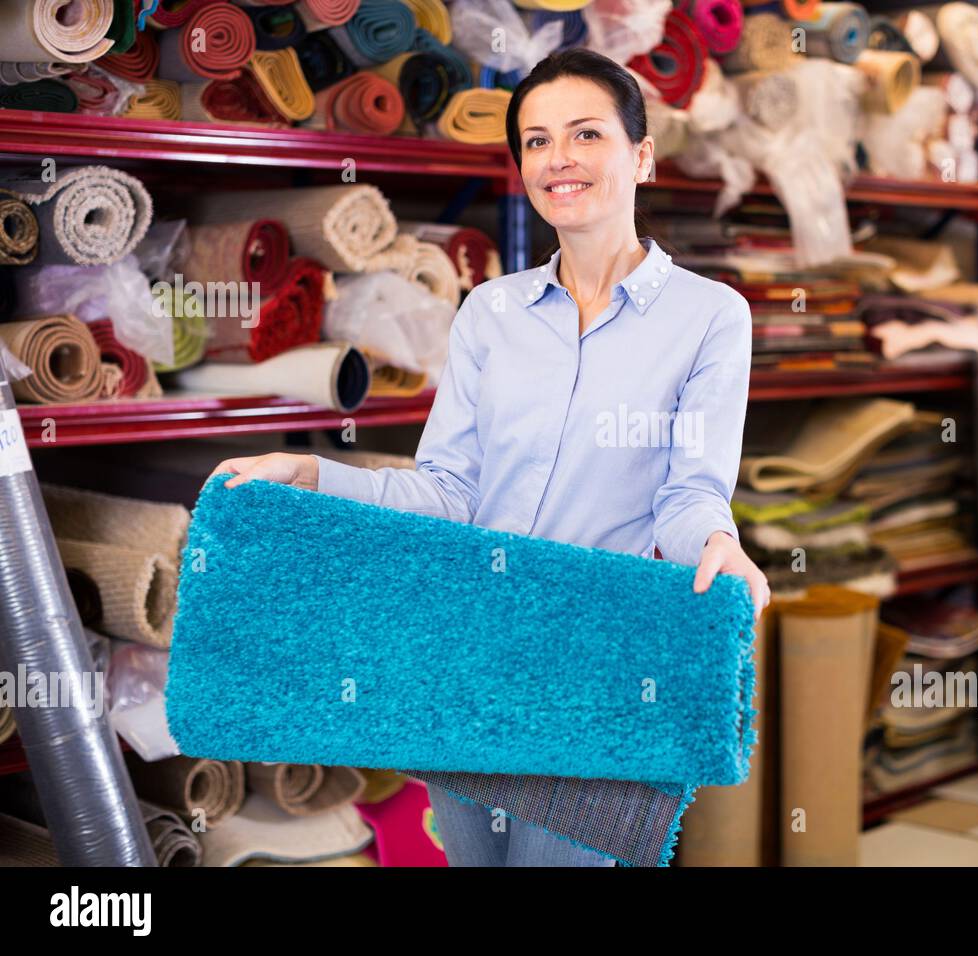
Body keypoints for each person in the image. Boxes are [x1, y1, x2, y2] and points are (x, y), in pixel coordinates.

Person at [210, 48, 769, 866]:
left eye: (585, 134)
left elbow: (688, 494)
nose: (559, 159)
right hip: (470, 653)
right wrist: (312, 477)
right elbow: (448, 493)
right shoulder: (490, 311)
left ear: (641, 155)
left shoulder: (710, 317)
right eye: (537, 142)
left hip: (598, 665)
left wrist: (717, 545)